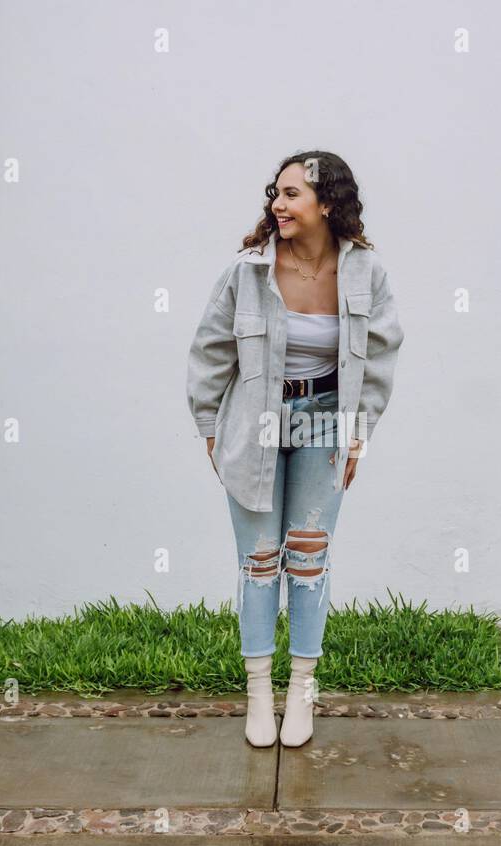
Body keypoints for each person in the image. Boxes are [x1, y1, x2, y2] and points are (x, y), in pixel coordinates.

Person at [185, 150, 403, 748]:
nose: (276, 205)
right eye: (274, 195)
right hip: (256, 420)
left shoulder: (365, 273)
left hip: (325, 419)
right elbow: (209, 354)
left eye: (290, 194)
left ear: (326, 203)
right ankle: (259, 695)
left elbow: (380, 357)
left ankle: (301, 693)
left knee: (308, 559)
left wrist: (359, 431)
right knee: (260, 561)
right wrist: (210, 429)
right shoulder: (248, 272)